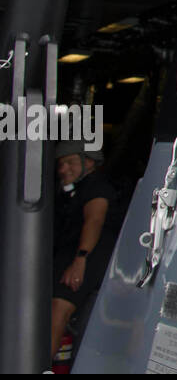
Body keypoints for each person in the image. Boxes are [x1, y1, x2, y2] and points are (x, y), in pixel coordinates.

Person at [51, 139, 117, 363]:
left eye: (69, 162)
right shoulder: (69, 191)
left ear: (89, 163)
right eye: (60, 164)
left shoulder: (96, 187)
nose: (62, 169)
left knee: (58, 310)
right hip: (68, 259)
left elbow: (94, 220)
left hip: (85, 261)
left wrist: (80, 260)